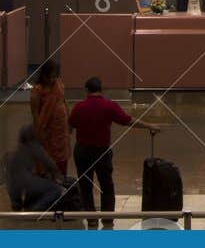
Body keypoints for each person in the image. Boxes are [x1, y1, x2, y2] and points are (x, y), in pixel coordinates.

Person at [69, 78, 163, 229]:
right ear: (101, 90)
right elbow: (128, 121)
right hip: (102, 152)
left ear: (86, 90)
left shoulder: (79, 107)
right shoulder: (109, 106)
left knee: (85, 185)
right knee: (107, 185)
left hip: (82, 151)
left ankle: (91, 219)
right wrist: (149, 125)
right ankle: (108, 219)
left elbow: (70, 125)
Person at [7, 124, 74, 213]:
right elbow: (49, 163)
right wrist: (58, 177)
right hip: (26, 181)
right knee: (56, 189)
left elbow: (11, 174)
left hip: (13, 185)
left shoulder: (17, 151)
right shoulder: (34, 146)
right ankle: (36, 209)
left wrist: (15, 202)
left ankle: (19, 206)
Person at [30, 60, 70, 175]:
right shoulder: (37, 90)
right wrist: (39, 132)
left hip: (60, 130)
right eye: (50, 77)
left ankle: (61, 181)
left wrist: (69, 121)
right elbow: (35, 113)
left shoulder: (59, 84)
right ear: (43, 76)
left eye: (55, 76)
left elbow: (63, 101)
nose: (53, 80)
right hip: (46, 131)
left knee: (62, 157)